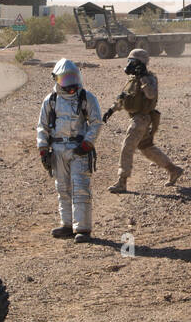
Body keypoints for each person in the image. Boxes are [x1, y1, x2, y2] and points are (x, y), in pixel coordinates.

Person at [37, 58, 103, 242]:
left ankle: (82, 228)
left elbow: (96, 123)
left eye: (72, 78)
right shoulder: (50, 101)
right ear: (56, 80)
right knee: (63, 188)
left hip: (79, 149)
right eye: (64, 80)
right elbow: (42, 127)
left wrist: (87, 144)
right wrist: (43, 149)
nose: (70, 84)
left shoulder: (86, 98)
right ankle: (67, 225)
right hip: (58, 149)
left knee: (80, 188)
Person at [103, 48, 183, 193]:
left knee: (127, 147)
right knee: (147, 149)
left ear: (140, 63)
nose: (129, 65)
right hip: (136, 118)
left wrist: (143, 78)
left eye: (132, 62)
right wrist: (111, 110)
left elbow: (151, 95)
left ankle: (122, 182)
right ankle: (173, 169)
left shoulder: (149, 79)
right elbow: (123, 98)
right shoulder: (132, 79)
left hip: (142, 119)